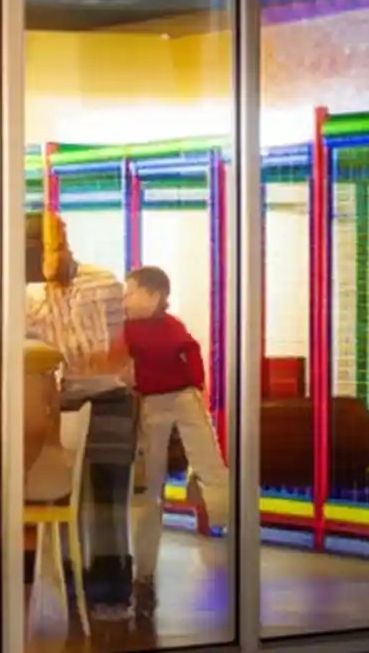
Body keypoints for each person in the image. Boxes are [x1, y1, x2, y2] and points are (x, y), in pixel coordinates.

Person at [25, 214, 136, 621]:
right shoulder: (29, 296)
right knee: (67, 496)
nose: (58, 255)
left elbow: (110, 352)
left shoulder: (103, 282)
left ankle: (111, 594)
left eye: (62, 243)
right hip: (65, 401)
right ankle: (73, 593)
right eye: (50, 248)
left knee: (107, 498)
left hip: (108, 398)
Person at [111, 265, 230, 615]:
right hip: (156, 404)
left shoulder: (156, 329)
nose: (126, 298)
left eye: (131, 292)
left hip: (173, 400)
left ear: (153, 296)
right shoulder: (134, 329)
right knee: (151, 492)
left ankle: (217, 509)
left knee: (204, 470)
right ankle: (144, 573)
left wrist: (194, 391)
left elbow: (191, 364)